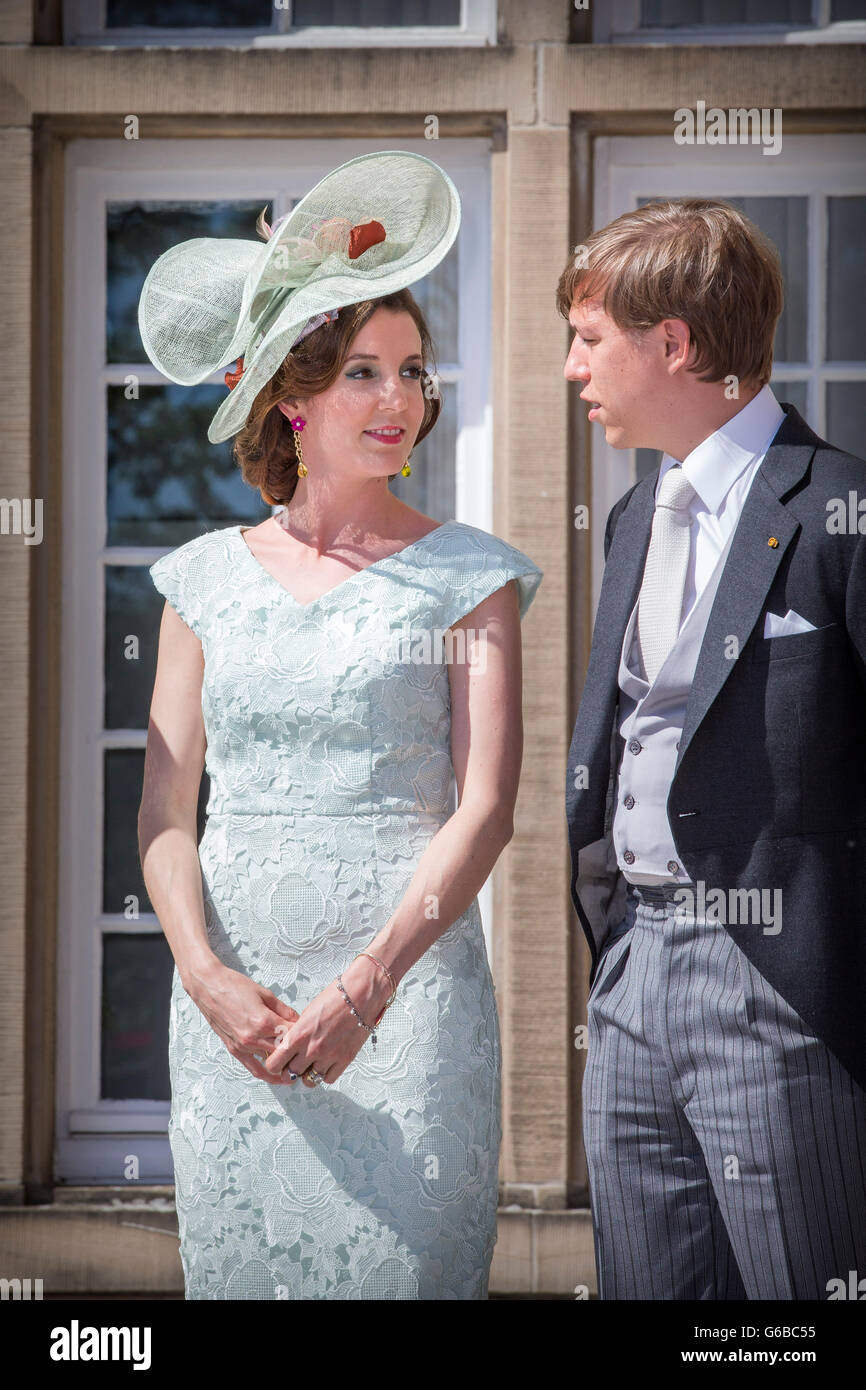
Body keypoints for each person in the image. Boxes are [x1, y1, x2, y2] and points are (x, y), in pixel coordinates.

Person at [138, 151, 543, 1299]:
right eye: (363, 371)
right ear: (291, 396)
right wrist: (204, 974)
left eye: (412, 370)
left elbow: (485, 807)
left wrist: (368, 988)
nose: (398, 398)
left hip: (408, 1012)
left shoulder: (470, 576)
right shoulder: (200, 580)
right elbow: (164, 810)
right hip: (233, 1018)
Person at [562, 198, 866, 1299]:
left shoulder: (842, 508)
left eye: (588, 339)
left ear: (673, 344)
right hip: (630, 967)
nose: (572, 368)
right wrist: (615, 950)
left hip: (783, 980)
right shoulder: (633, 517)